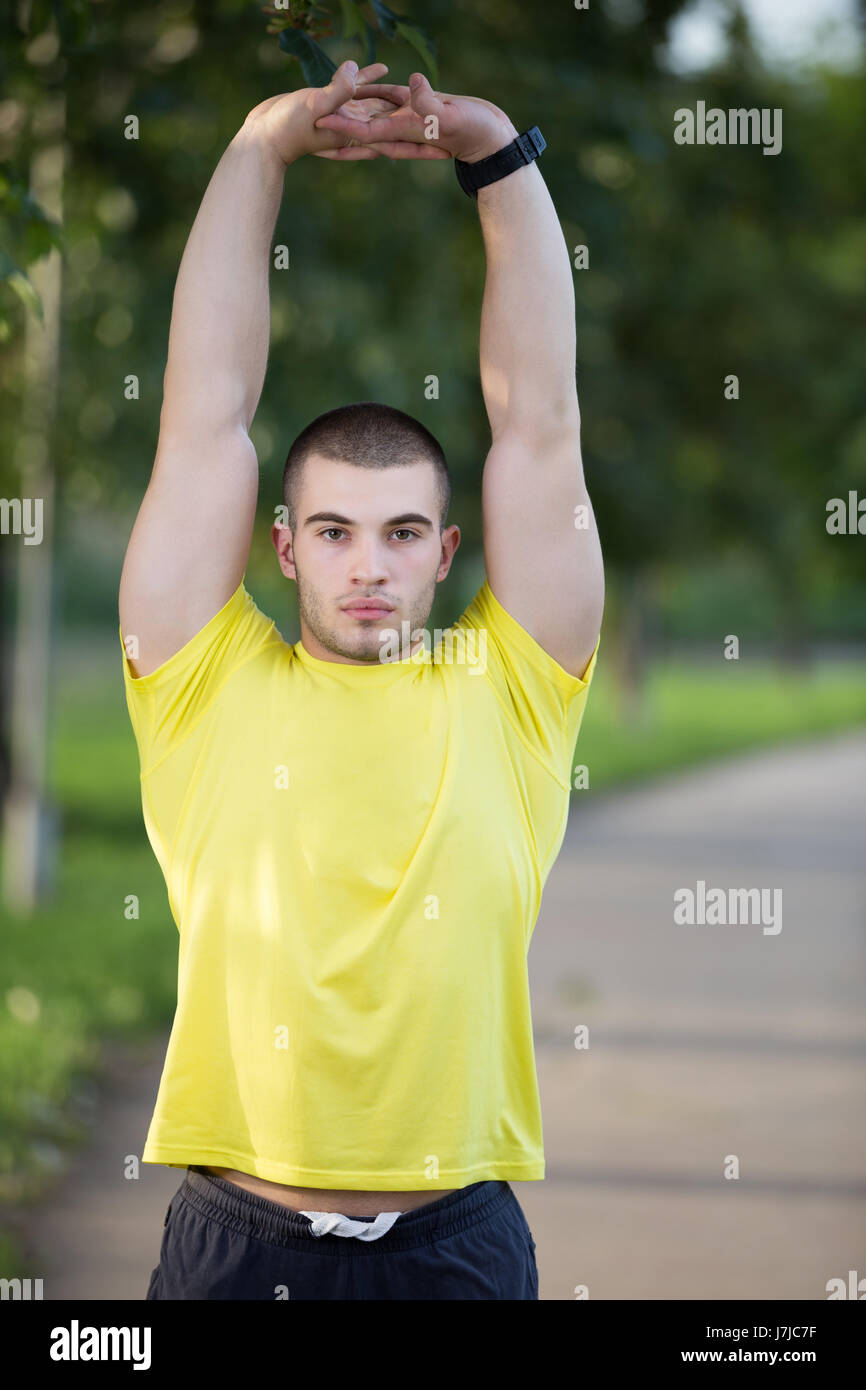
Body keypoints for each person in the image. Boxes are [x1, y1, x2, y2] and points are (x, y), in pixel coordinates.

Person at [118, 58, 604, 1301]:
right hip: (236, 1250)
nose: (367, 566)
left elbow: (537, 420)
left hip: (457, 1250)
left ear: (446, 552)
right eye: (332, 530)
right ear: (283, 547)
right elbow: (201, 417)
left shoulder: (513, 684)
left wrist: (493, 151)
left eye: (400, 532)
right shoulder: (202, 679)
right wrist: (257, 146)